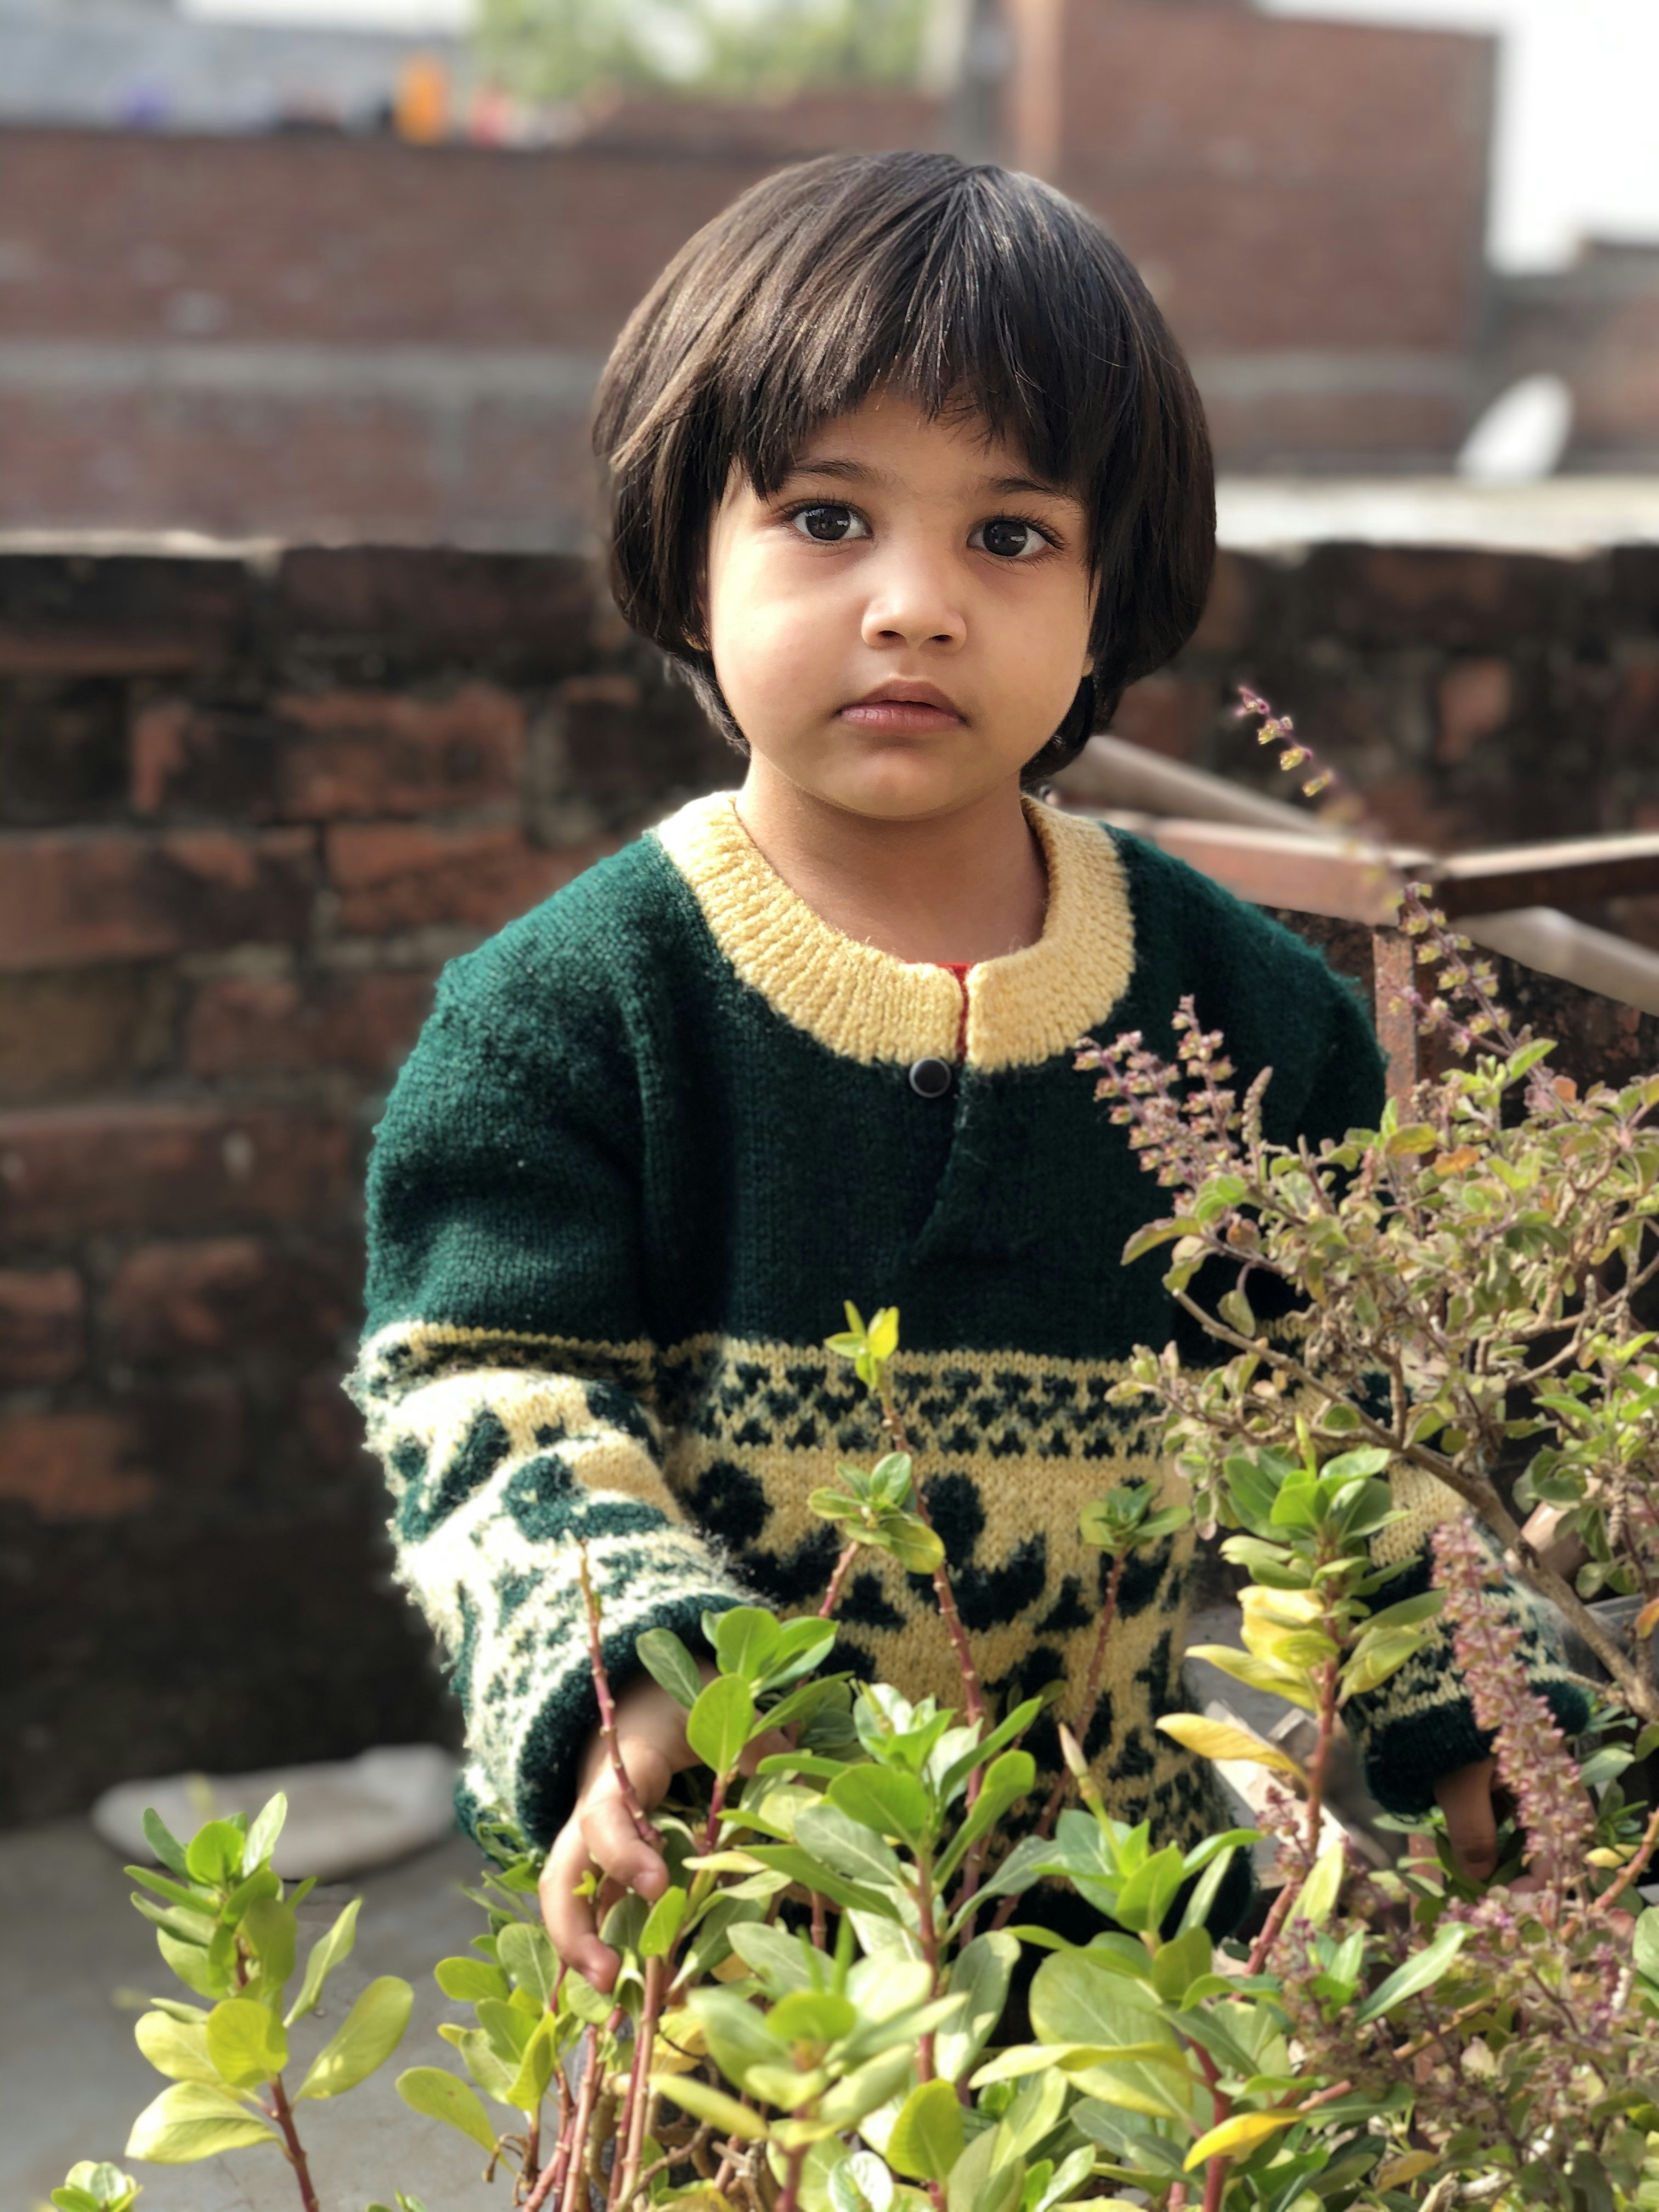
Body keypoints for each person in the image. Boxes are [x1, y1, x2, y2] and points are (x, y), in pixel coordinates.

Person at [351, 151, 1586, 1989]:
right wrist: (623, 1688)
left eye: (1011, 536)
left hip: (1145, 1938)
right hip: (743, 1937)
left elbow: (1365, 1444)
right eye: (829, 519)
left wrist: (1499, 1722)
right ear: (693, 552)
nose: (916, 602)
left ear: (1108, 596)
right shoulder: (568, 1010)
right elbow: (487, 1393)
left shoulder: (1245, 1021)